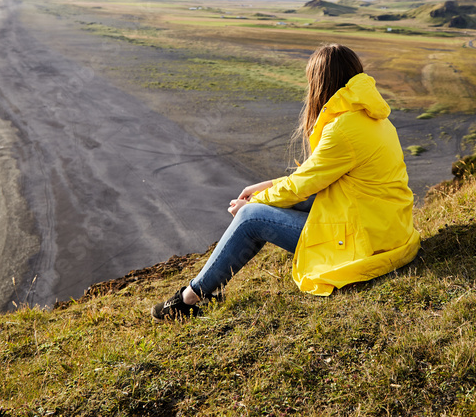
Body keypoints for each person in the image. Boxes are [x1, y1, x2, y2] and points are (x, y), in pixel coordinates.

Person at [152, 43, 421, 320]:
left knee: (250, 219)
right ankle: (197, 292)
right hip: (387, 229)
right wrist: (265, 186)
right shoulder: (370, 116)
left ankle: (189, 299)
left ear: (320, 84)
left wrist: (251, 203)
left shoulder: (342, 130)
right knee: (269, 206)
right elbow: (314, 177)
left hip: (367, 243)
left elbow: (301, 186)